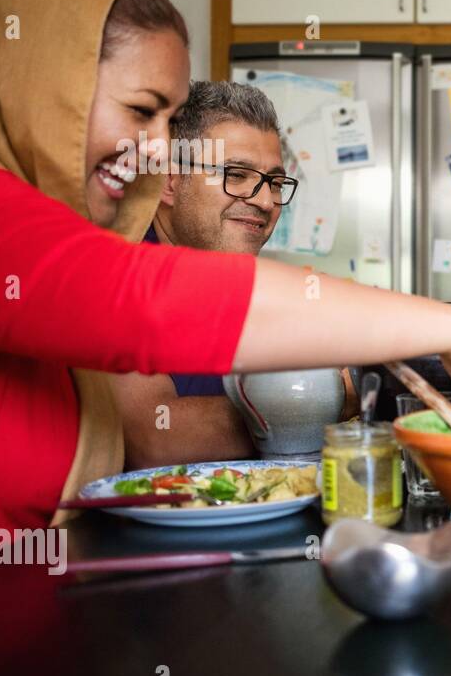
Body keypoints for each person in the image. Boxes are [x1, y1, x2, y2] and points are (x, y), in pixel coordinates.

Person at [0, 0, 451, 531]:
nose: (155, 150)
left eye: (167, 120)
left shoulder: (46, 232)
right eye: (139, 111)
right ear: (39, 84)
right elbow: (156, 306)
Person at [111, 80, 344, 467]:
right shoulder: (119, 275)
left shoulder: (235, 284)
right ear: (170, 179)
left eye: (274, 182)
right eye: (236, 175)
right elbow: (155, 439)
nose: (265, 201)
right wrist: (329, 401)